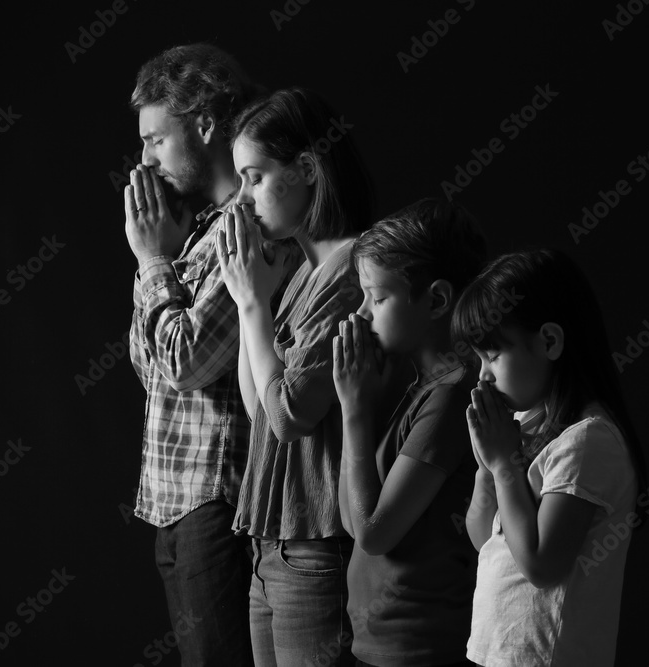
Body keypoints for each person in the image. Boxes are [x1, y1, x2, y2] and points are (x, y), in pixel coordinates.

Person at [125, 43, 282, 666]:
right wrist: (159, 258)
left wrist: (150, 262)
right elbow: (149, 366)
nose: (145, 160)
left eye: (156, 140)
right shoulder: (195, 233)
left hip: (215, 500)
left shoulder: (248, 225)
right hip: (171, 499)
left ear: (206, 126)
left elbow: (186, 362)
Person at [216, 87, 373, 666]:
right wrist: (247, 299)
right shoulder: (306, 272)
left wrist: (255, 304)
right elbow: (259, 409)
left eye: (254, 176)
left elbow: (288, 417)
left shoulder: (355, 270)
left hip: (317, 545)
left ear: (307, 169)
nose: (243, 197)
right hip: (271, 545)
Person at [454, 249, 647, 666]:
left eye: (493, 355)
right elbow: (486, 540)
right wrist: (487, 470)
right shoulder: (530, 428)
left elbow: (541, 565)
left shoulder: (588, 442)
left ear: (549, 341)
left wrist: (506, 464)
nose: (482, 375)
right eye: (478, 359)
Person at [332, 199, 487, 667]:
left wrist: (355, 411)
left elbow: (375, 534)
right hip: (380, 646)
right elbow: (350, 520)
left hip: (420, 650)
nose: (361, 314)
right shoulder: (419, 388)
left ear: (436, 299)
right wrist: (357, 409)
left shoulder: (452, 397)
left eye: (376, 298)